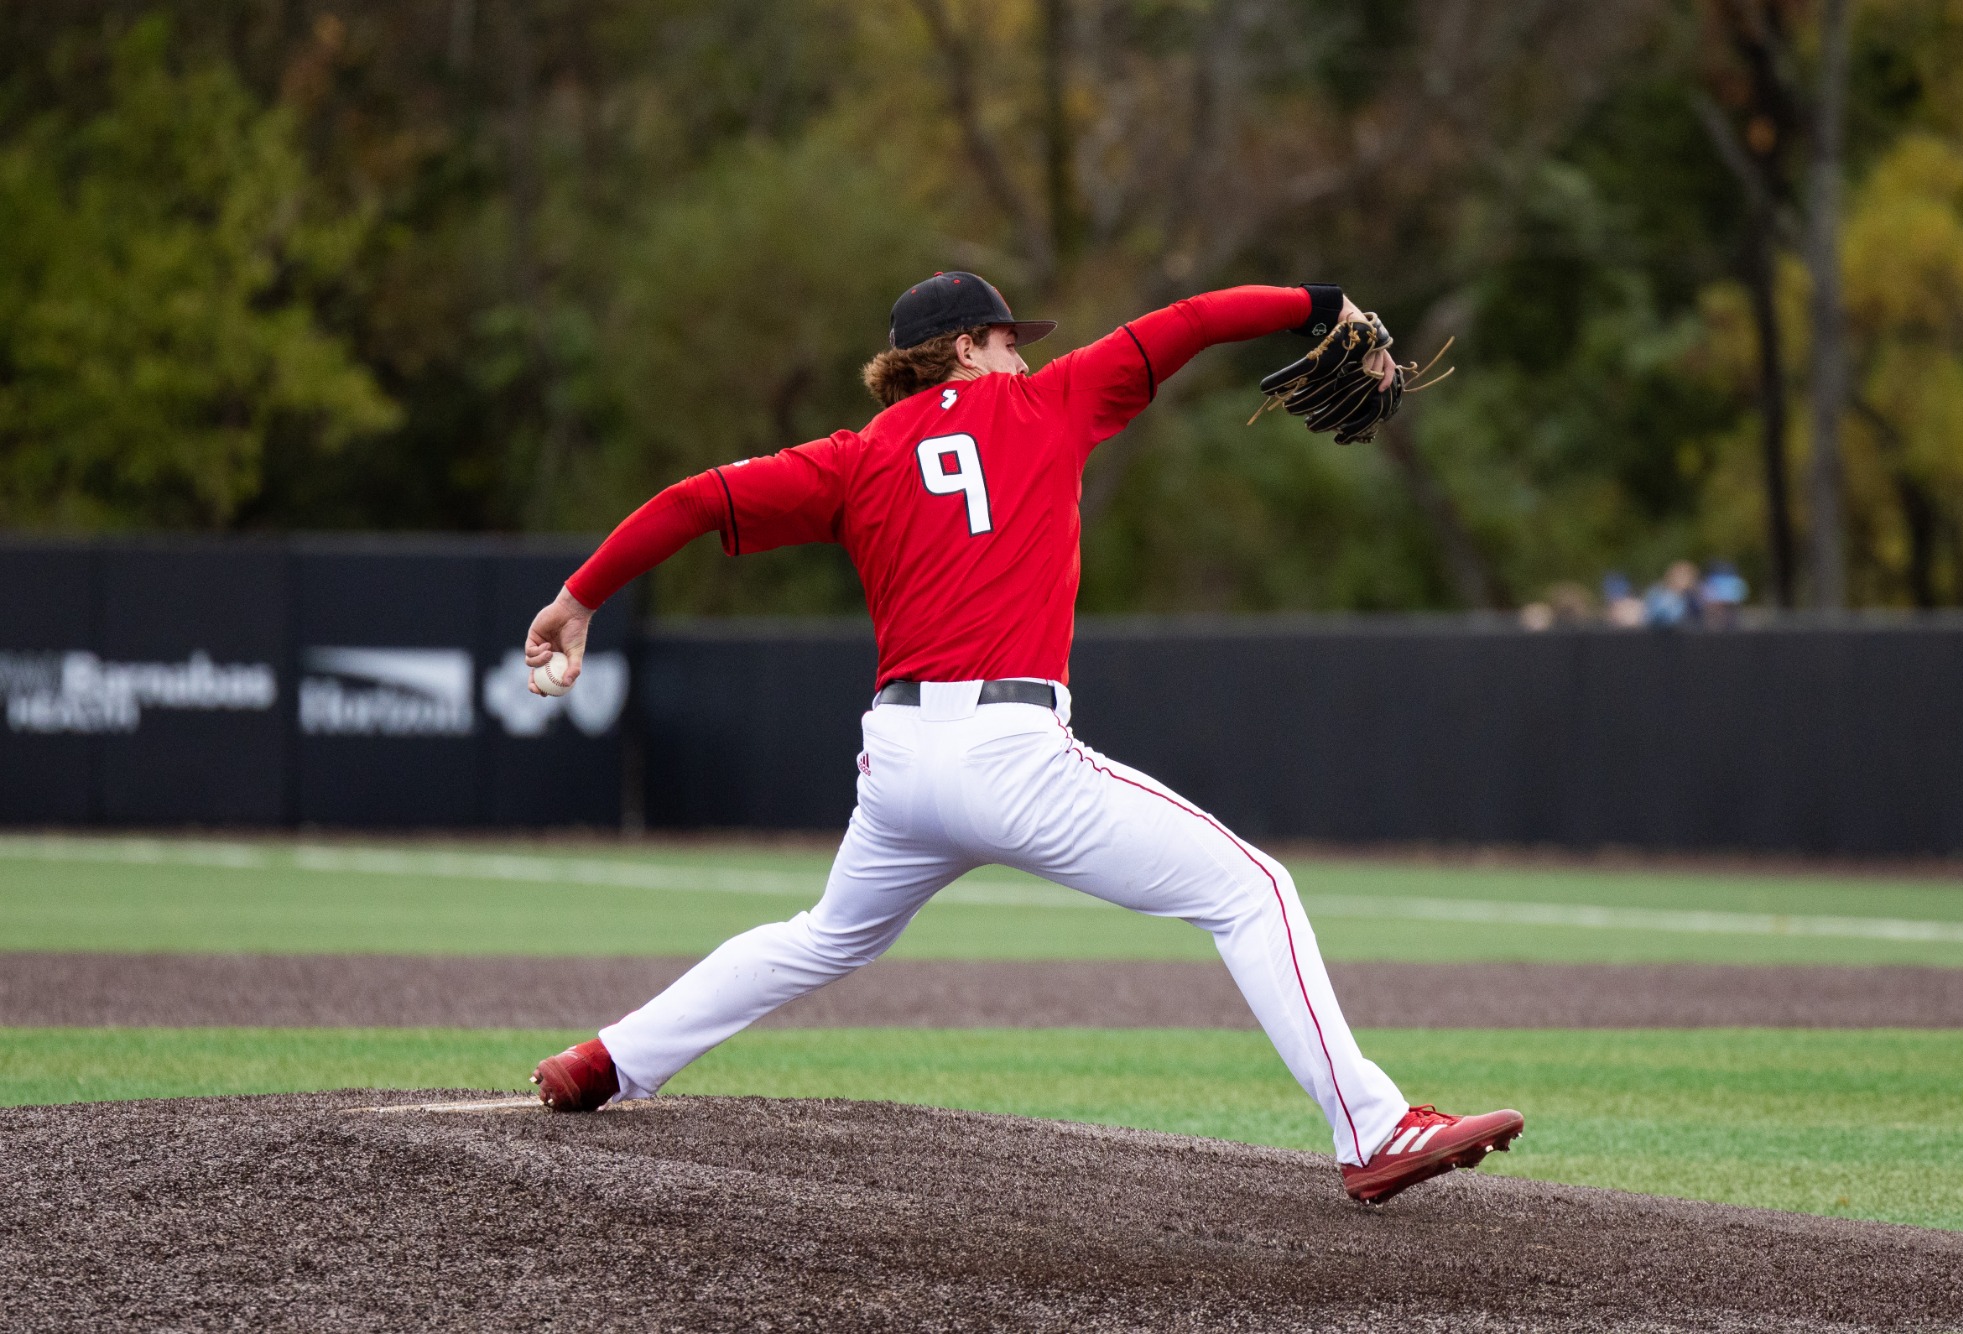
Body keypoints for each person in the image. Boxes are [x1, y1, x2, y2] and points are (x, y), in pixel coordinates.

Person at [519, 272, 1523, 1205]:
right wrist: (1313, 300)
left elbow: (696, 498)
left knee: (821, 936)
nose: (1024, 357)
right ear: (964, 347)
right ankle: (1373, 1128)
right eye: (1008, 340)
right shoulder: (1052, 404)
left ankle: (606, 1059)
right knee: (1249, 889)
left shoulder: (854, 456)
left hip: (899, 766)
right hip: (1011, 748)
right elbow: (1190, 323)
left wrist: (578, 596)